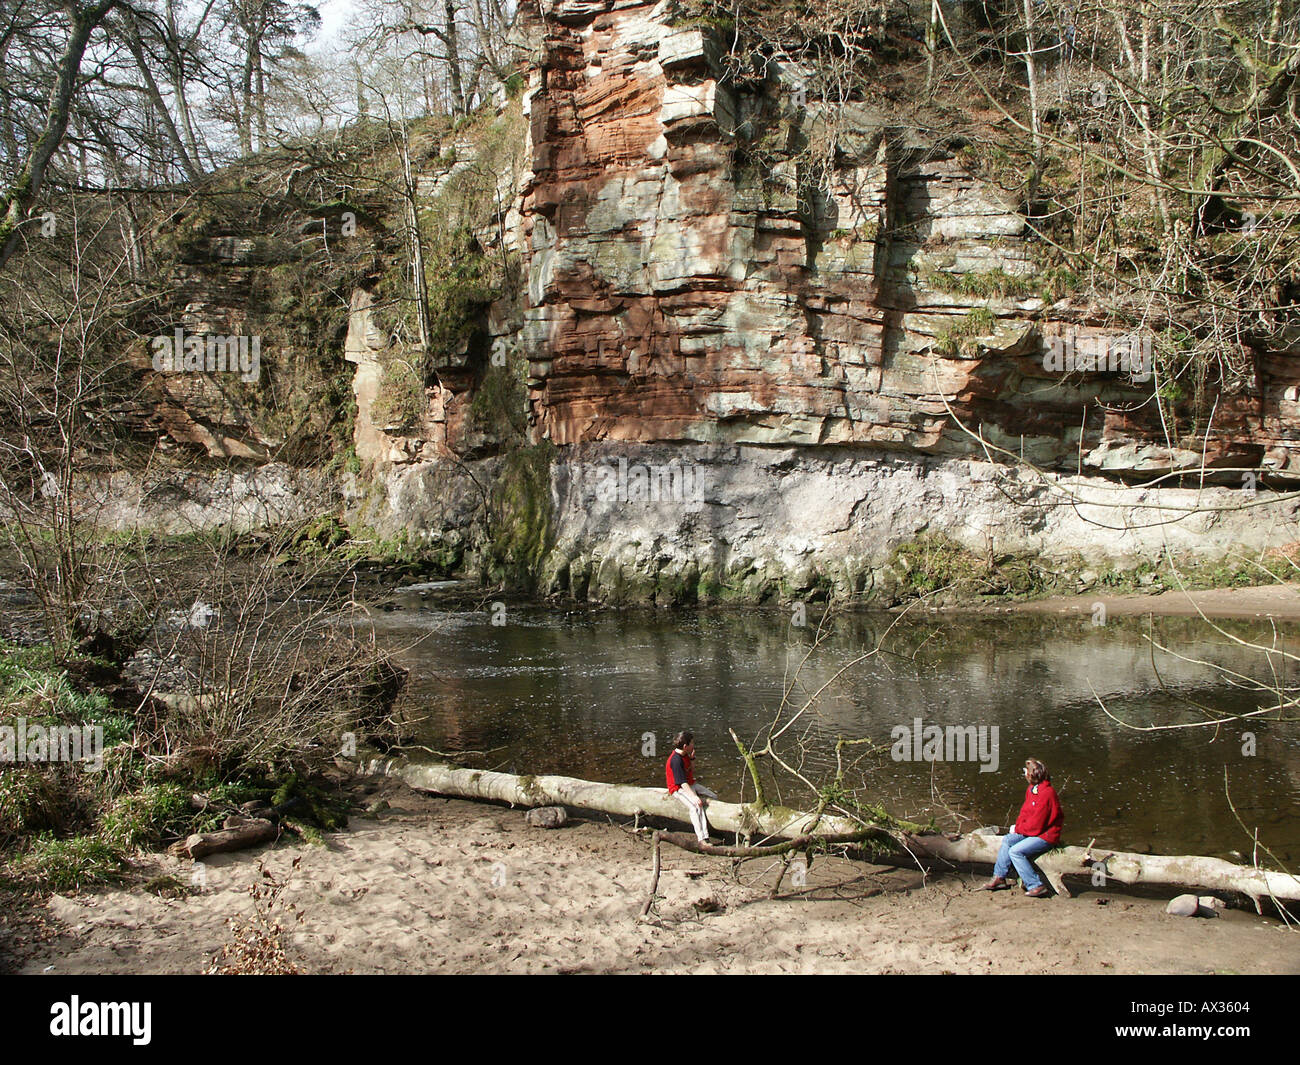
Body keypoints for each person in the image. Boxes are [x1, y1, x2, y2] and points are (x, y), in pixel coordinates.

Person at [982, 757, 1063, 897]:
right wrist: (1017, 827)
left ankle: (1036, 885)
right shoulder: (1032, 789)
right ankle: (999, 877)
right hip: (1034, 832)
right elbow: (1025, 813)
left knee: (1016, 852)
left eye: (1026, 771)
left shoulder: (1047, 794)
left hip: (1046, 836)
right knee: (1007, 840)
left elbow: (1037, 826)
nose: (1024, 773)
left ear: (1034, 774)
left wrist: (1019, 830)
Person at [665, 731, 719, 844]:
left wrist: (692, 759)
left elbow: (689, 770)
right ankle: (702, 838)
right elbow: (682, 783)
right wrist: (694, 797)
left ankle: (714, 824)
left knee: (713, 796)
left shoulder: (684, 755)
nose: (693, 745)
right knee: (695, 807)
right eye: (692, 743)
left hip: (690, 783)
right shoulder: (676, 760)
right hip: (678, 788)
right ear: (685, 746)